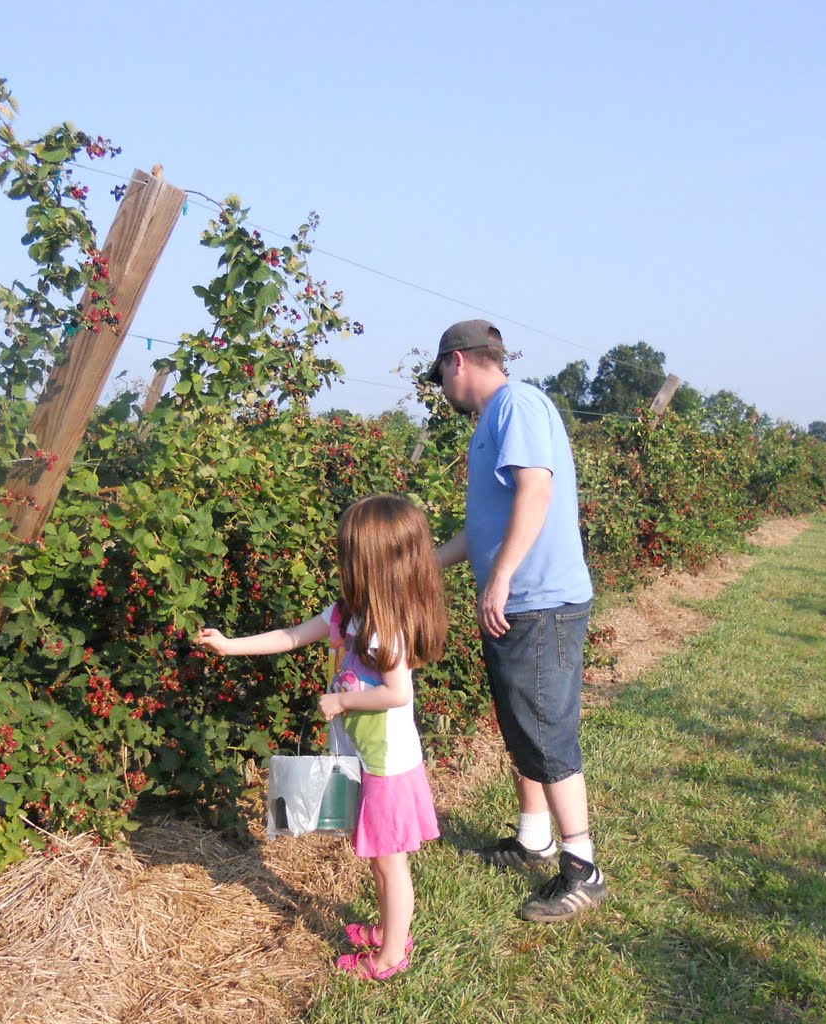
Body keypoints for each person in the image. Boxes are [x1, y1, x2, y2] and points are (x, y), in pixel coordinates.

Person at [196, 494, 448, 980]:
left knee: (390, 864)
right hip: (364, 759)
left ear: (374, 562)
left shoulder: (384, 632)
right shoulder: (348, 615)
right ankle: (388, 930)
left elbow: (397, 694)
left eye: (349, 553)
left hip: (387, 766)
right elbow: (292, 635)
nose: (342, 561)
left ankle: (391, 955)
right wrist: (229, 646)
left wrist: (344, 701)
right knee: (378, 860)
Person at [427, 319, 608, 923]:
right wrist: (425, 565)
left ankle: (583, 870)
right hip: (518, 600)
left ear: (458, 362)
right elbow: (485, 526)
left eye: (441, 377)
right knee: (522, 725)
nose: (443, 391)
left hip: (538, 599)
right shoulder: (494, 420)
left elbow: (536, 492)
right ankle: (535, 837)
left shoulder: (517, 405)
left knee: (547, 731)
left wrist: (499, 579)